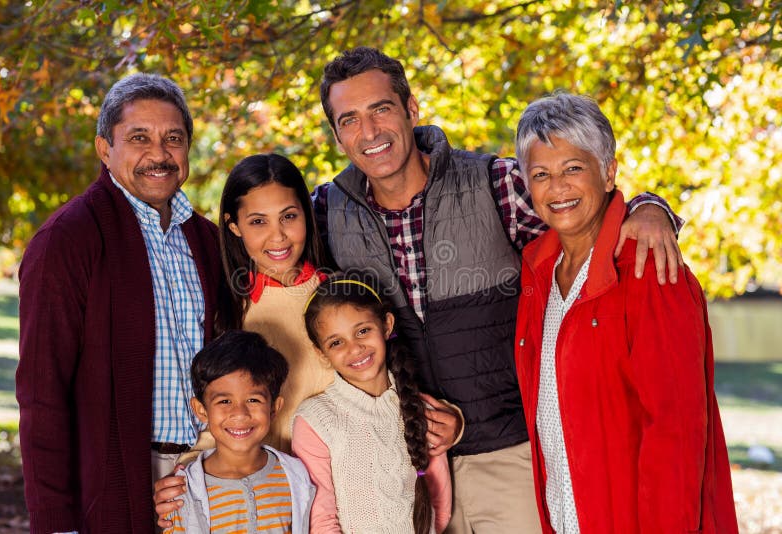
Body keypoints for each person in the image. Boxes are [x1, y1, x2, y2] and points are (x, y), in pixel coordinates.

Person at [312, 46, 684, 533]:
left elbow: (585, 210)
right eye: (349, 119)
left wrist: (650, 206)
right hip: (404, 472)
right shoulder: (326, 213)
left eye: (381, 108)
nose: (369, 132)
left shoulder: (495, 184)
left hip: (508, 455)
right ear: (337, 134)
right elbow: (268, 251)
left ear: (411, 108)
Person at [513, 93, 738, 533]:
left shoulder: (648, 268)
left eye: (573, 169)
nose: (557, 188)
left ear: (609, 170)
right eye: (541, 174)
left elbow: (675, 434)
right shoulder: (537, 273)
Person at [16, 73, 221, 533]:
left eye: (173, 138)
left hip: (211, 475)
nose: (159, 154)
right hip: (117, 480)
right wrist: (54, 523)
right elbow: (41, 393)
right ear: (104, 149)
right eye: (138, 138)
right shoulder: (67, 240)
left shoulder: (209, 242)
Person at [292, 278, 452, 533]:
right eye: (336, 342)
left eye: (363, 331)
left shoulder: (420, 409)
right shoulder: (314, 420)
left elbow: (439, 504)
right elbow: (321, 519)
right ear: (321, 352)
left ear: (387, 325)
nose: (355, 348)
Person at [216, 153, 333, 452]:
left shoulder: (341, 294)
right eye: (258, 222)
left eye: (288, 216)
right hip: (273, 485)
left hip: (349, 478)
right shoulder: (227, 312)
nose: (278, 236)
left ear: (306, 214)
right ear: (234, 227)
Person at [163, 330, 315, 533]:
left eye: (253, 400)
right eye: (224, 401)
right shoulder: (182, 492)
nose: (240, 413)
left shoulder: (296, 477)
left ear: (274, 408)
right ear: (201, 410)